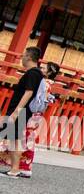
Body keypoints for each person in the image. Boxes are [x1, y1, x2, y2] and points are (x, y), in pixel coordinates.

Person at [2, 47, 45, 179]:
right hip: (23, 111)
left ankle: (14, 169)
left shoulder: (32, 73)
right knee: (14, 140)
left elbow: (29, 92)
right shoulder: (37, 73)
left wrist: (16, 111)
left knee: (13, 139)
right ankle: (15, 169)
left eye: (24, 55)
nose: (22, 57)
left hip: (20, 110)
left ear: (30, 57)